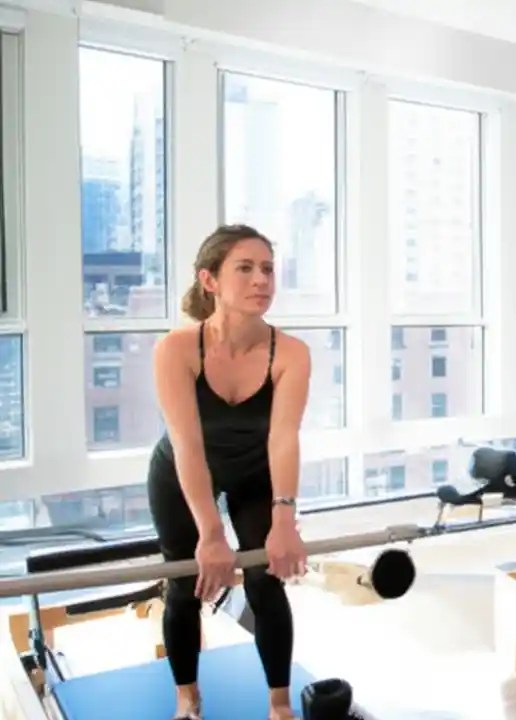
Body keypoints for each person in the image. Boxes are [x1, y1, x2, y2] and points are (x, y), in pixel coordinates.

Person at [149, 225, 312, 720]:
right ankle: (187, 696)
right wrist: (210, 532)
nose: (261, 279)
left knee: (265, 581)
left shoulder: (291, 352)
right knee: (184, 586)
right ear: (210, 280)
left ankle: (279, 704)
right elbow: (187, 445)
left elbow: (283, 438)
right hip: (182, 470)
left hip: (254, 470)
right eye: (245, 267)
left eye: (267, 268)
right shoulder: (176, 349)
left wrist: (284, 519)